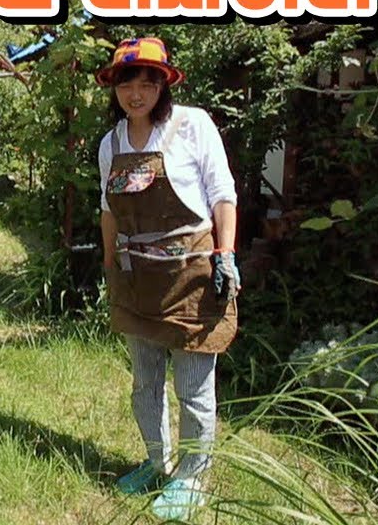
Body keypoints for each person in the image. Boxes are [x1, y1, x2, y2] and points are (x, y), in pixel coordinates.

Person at [95, 37, 240, 519]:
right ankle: (157, 462)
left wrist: (226, 253)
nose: (137, 93)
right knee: (145, 381)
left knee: (194, 386)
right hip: (139, 277)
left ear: (164, 84)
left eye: (147, 82)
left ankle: (194, 477)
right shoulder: (110, 144)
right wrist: (111, 269)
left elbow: (222, 193)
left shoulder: (191, 125)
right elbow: (108, 211)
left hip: (193, 273)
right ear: (114, 88)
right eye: (127, 83)